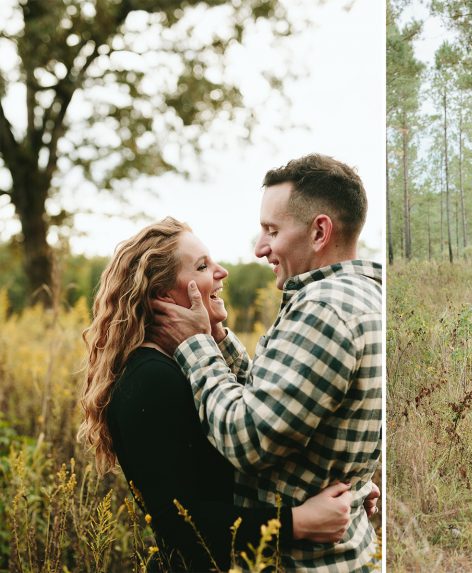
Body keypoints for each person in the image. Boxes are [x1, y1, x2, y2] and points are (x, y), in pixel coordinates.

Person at [79, 218, 374, 572]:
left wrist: (349, 482)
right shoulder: (151, 380)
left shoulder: (183, 364)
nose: (222, 272)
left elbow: (265, 419)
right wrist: (299, 522)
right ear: (164, 296)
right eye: (202, 266)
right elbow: (183, 525)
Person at [150, 154, 382, 572]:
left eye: (272, 231)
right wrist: (218, 339)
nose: (260, 248)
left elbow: (248, 439)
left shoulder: (324, 310)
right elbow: (278, 401)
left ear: (319, 231)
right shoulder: (362, 297)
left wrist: (195, 345)